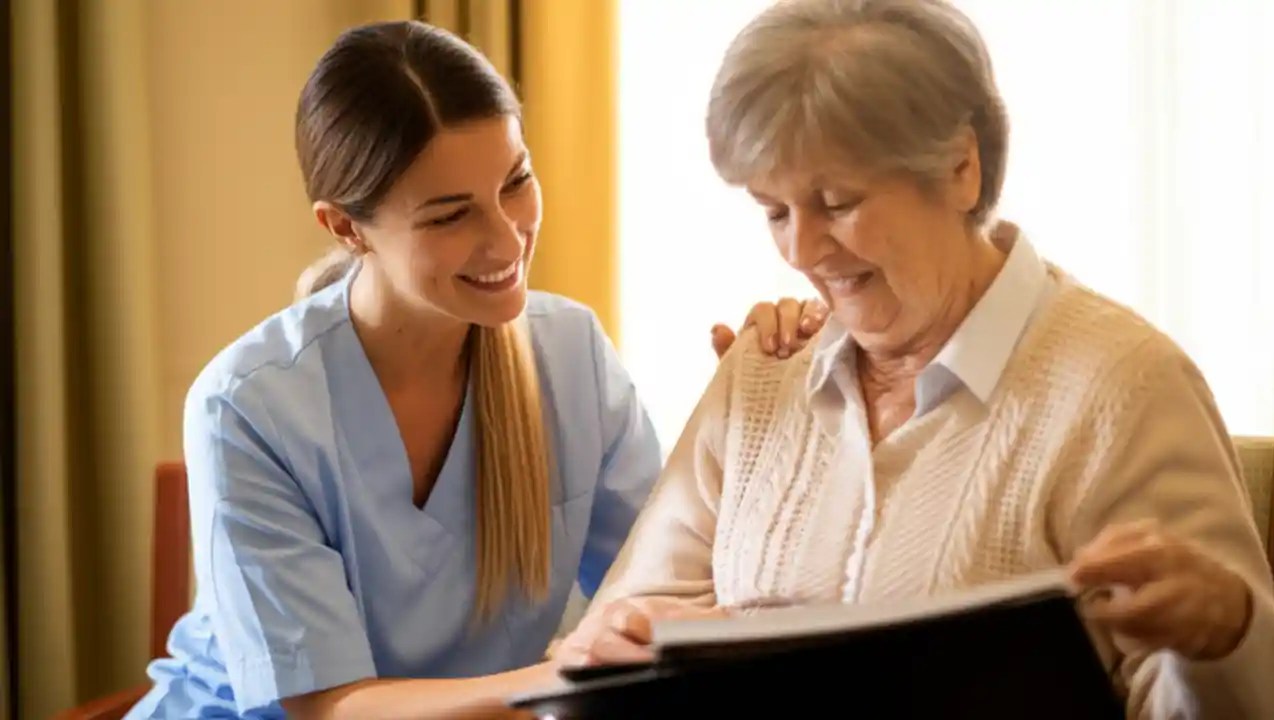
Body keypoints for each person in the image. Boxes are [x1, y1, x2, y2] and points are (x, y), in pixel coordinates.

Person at [558, 1, 1274, 717]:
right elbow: (616, 632)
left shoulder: (1123, 387)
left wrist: (1223, 636)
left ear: (961, 168)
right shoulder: (765, 370)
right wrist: (622, 643)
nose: (800, 251)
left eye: (837, 202)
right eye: (774, 212)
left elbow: (1225, 696)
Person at [127, 20, 825, 720]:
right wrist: (560, 676)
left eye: (516, 181)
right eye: (449, 215)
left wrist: (766, 415)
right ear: (345, 227)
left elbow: (669, 588)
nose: (505, 238)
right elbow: (329, 707)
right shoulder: (247, 406)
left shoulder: (570, 354)